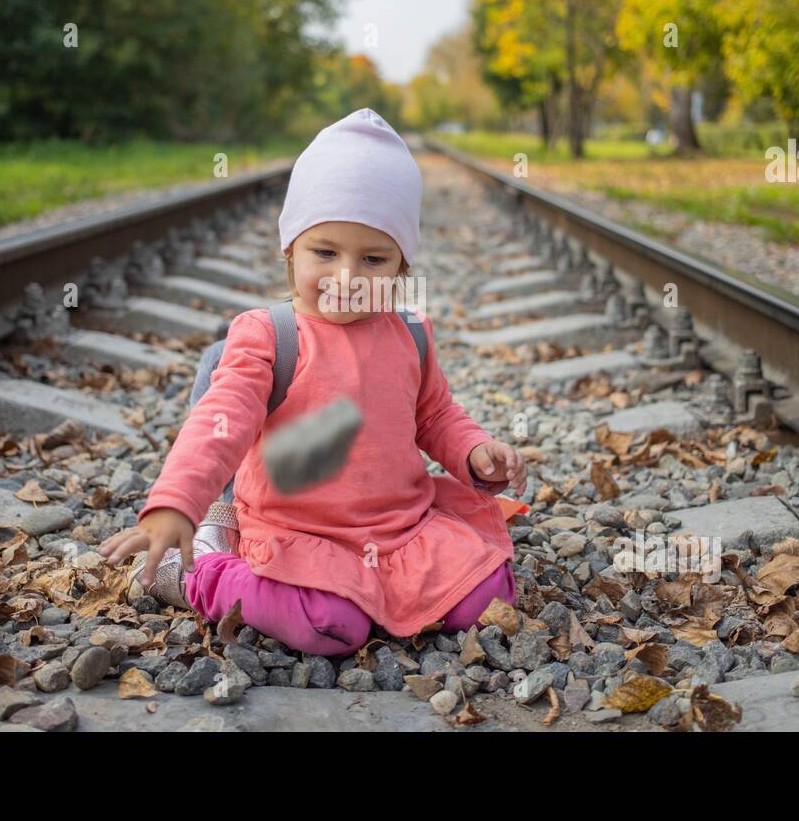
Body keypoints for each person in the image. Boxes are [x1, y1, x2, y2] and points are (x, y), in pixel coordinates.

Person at [100, 107, 528, 657]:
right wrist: (176, 502)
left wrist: (474, 451)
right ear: (290, 248)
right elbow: (218, 421)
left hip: (397, 528)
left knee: (486, 600)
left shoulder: (412, 334)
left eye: (373, 258)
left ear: (401, 265)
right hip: (298, 532)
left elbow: (435, 415)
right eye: (325, 252)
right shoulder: (270, 335)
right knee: (330, 627)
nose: (347, 277)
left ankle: (385, 587)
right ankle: (201, 572)